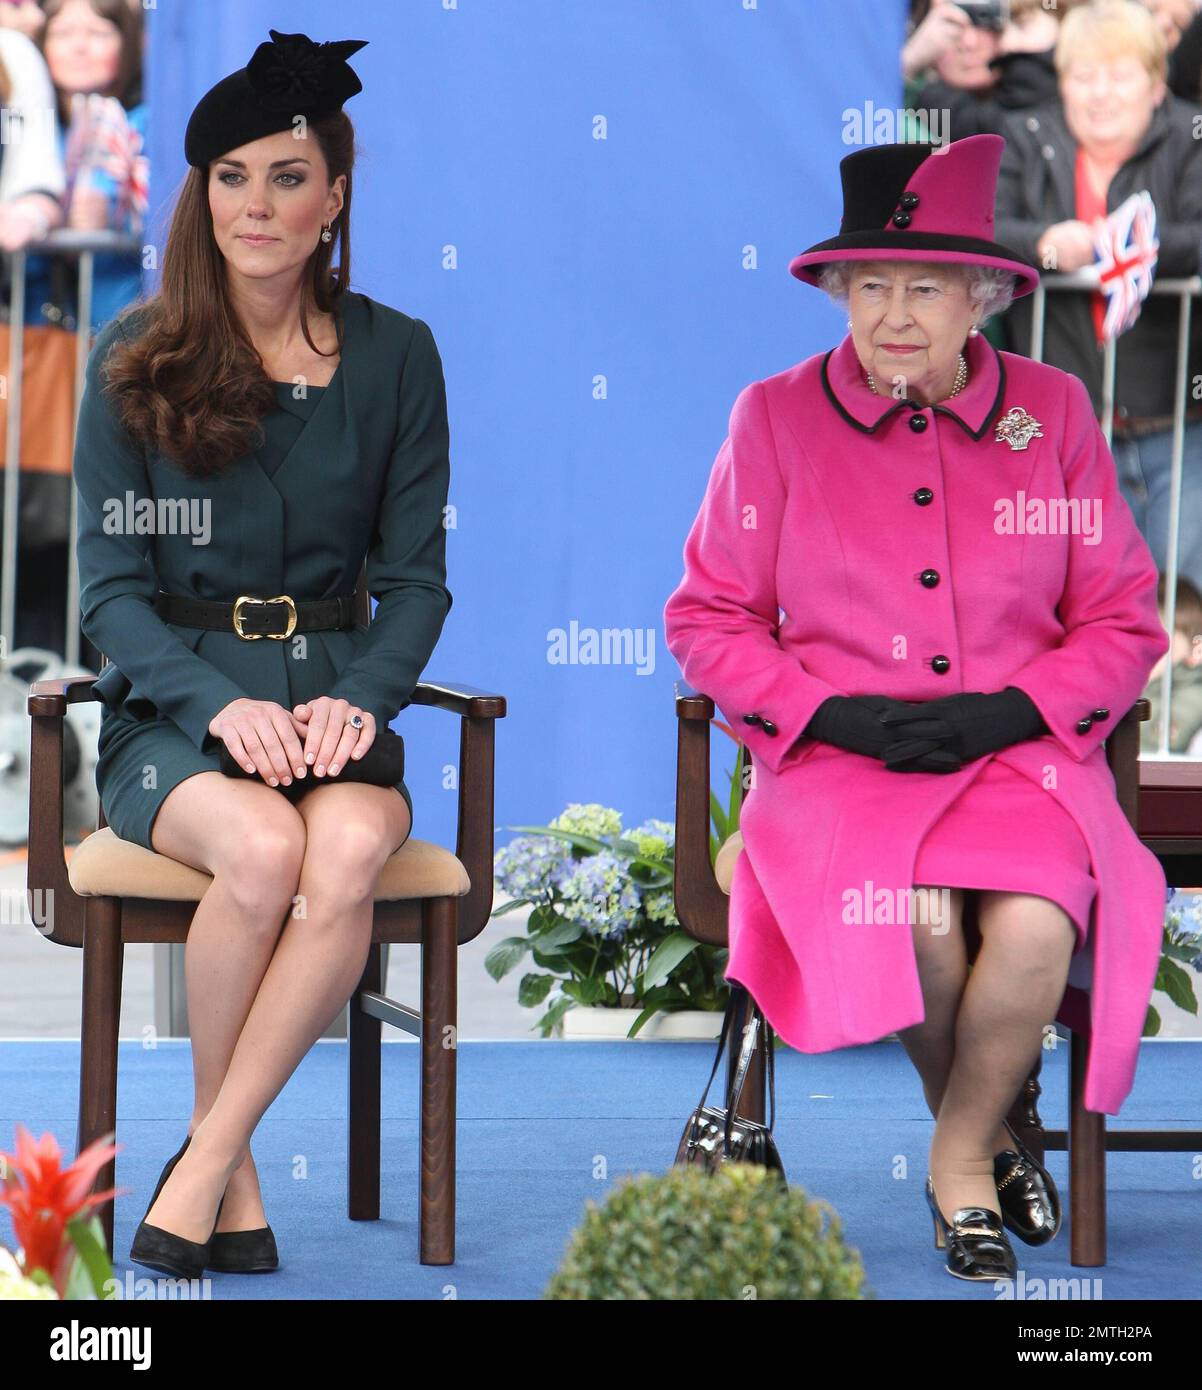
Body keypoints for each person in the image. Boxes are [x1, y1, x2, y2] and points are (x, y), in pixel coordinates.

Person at [663, 133, 1170, 1282]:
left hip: (1017, 759)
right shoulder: (774, 419)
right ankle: (987, 1145)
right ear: (840, 291)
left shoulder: (1050, 415)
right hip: (844, 768)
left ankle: (955, 1158)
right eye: (872, 286)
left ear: (979, 295)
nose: (895, 314)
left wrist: (1007, 712)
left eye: (926, 287)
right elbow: (707, 619)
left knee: (1035, 927)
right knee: (926, 926)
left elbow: (1122, 618)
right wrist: (825, 715)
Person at [73, 29, 453, 1278]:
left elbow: (413, 583)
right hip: (172, 719)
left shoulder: (398, 355)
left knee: (341, 843)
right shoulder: (136, 354)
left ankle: (200, 1157)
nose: (259, 204)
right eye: (231, 177)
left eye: (289, 177)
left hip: (335, 706)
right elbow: (111, 595)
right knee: (263, 842)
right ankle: (223, 1174)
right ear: (200, 196)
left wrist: (360, 702)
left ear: (335, 195)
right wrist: (217, 708)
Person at [994, 0, 1202, 596]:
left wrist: (1132, 245)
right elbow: (982, 228)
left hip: (1176, 428)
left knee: (1178, 612)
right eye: (1084, 76)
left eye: (1120, 75)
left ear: (1156, 84)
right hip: (1059, 435)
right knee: (1069, 602)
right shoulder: (1026, 136)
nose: (1101, 94)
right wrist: (1045, 241)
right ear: (1062, 84)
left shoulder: (1191, 138)